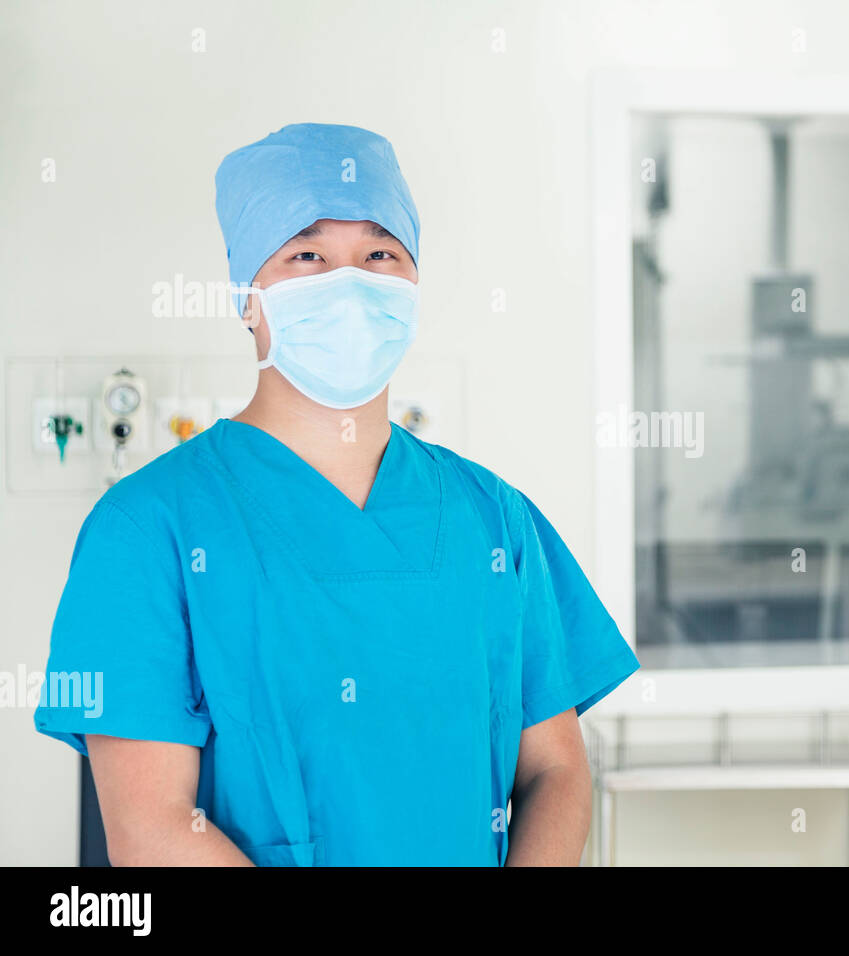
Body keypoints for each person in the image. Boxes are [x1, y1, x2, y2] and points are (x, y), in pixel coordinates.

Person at [33, 123, 639, 866]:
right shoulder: (146, 530)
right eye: (307, 255)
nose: (350, 282)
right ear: (247, 298)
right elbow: (151, 829)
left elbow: (555, 770)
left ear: (413, 285)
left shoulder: (494, 519)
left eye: (380, 253)